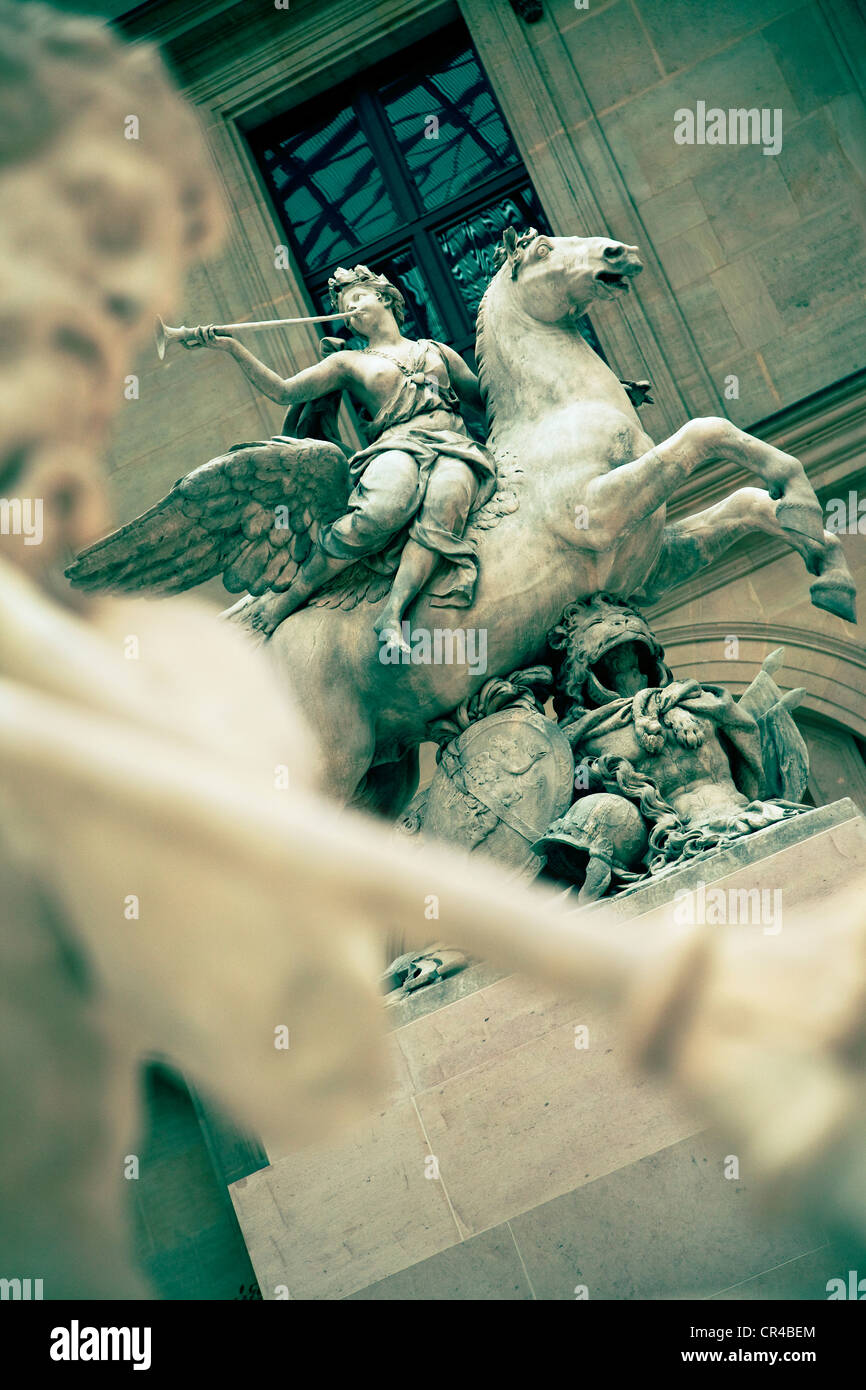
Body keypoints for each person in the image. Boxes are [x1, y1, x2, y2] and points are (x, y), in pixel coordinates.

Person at [192, 265, 496, 649]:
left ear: (383, 297)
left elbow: (483, 395)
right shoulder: (348, 363)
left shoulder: (435, 350)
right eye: (341, 306)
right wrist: (232, 348)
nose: (348, 310)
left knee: (447, 501)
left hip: (455, 447)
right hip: (398, 446)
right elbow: (285, 391)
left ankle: (391, 616)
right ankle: (290, 596)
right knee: (381, 510)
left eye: (356, 299)